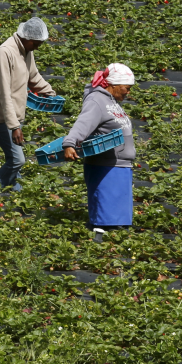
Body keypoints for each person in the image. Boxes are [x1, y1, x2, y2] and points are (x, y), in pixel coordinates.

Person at [62, 63, 136, 241]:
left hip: (120, 166)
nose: (128, 92)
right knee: (104, 216)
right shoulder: (97, 100)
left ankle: (115, 247)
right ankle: (99, 244)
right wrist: (70, 143)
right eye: (127, 88)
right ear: (114, 85)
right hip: (105, 166)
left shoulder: (112, 101)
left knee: (118, 217)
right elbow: (84, 123)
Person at [0, 17, 56, 192]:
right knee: (17, 160)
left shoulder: (26, 51)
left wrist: (50, 92)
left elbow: (34, 76)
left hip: (15, 115)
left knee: (13, 159)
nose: (38, 47)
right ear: (27, 38)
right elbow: (4, 93)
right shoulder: (5, 52)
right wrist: (14, 126)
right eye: (37, 43)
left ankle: (17, 195)